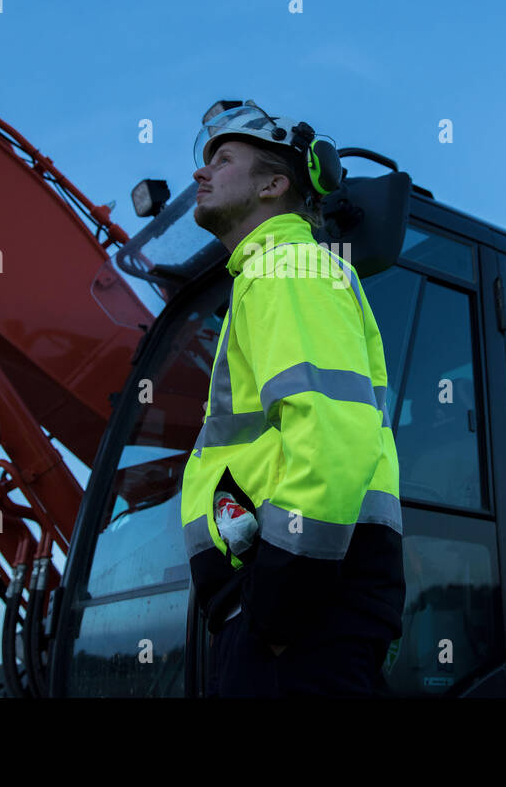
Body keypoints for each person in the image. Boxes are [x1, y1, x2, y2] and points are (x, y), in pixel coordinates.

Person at [179, 100, 405, 697]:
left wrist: (279, 601)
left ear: (275, 185)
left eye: (223, 160)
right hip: (290, 607)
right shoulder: (265, 276)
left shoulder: (291, 267)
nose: (200, 174)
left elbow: (331, 434)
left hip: (299, 611)